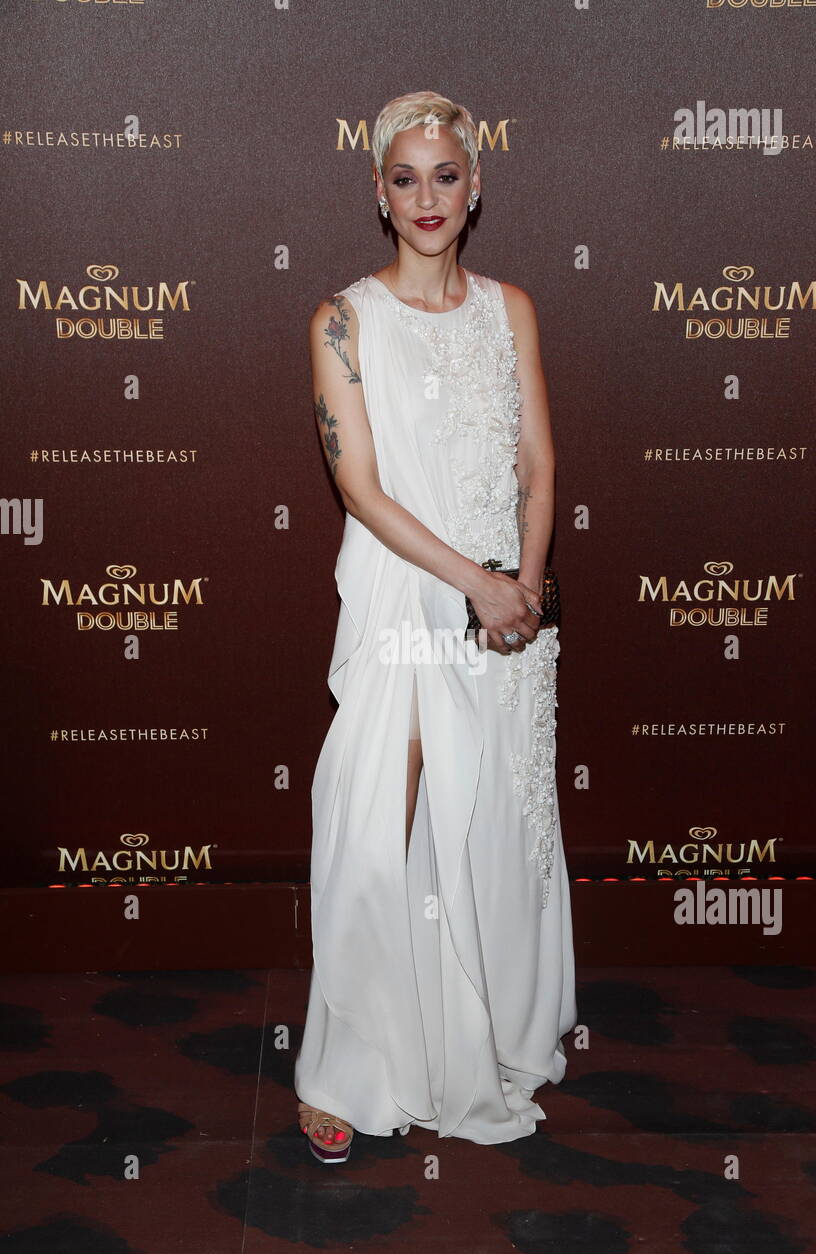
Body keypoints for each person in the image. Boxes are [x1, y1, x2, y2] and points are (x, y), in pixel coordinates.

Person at [295, 91, 577, 1163]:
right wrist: (476, 585)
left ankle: (484, 1030)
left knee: (488, 826)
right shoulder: (340, 321)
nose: (427, 197)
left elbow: (539, 467)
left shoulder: (512, 310)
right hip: (409, 604)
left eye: (446, 176)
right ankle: (346, 1066)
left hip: (507, 607)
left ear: (476, 186)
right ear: (378, 191)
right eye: (405, 178)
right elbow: (361, 489)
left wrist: (527, 587)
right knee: (375, 825)